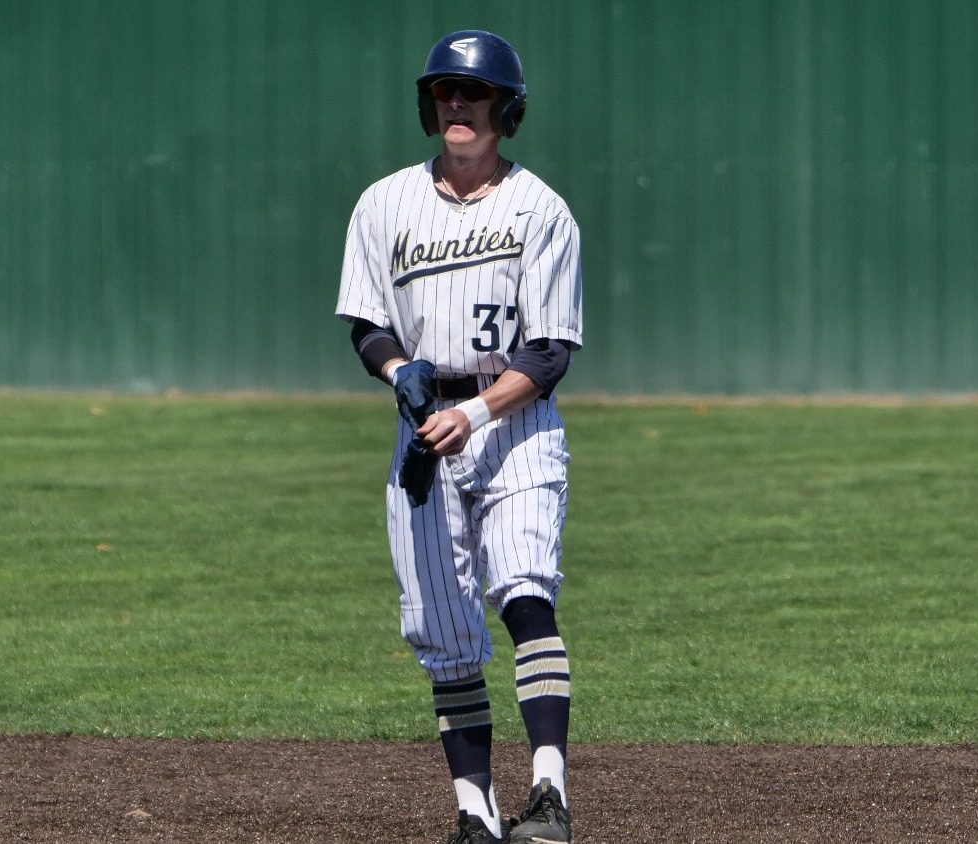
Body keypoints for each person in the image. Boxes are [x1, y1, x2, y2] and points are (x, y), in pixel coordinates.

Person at [334, 29, 584, 844]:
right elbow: (369, 321)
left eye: (472, 93)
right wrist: (397, 369)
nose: (457, 104)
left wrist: (472, 413)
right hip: (421, 435)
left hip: (513, 426)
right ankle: (473, 813)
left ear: (505, 110)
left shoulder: (540, 210)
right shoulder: (384, 204)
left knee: (523, 591)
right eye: (444, 91)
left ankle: (548, 793)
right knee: (443, 634)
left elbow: (548, 353)